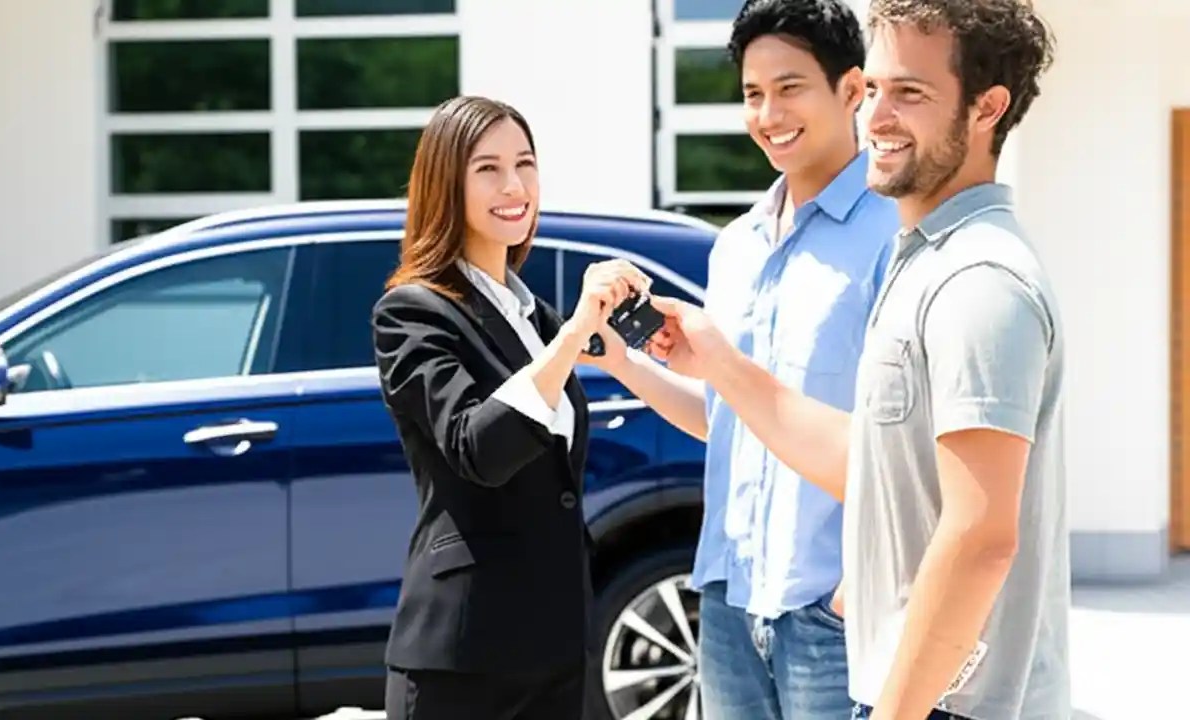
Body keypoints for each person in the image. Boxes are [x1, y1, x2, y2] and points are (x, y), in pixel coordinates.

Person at [647, 0, 1066, 718]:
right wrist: (695, 364)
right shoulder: (924, 262)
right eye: (874, 89)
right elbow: (868, 456)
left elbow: (980, 537)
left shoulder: (978, 280)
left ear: (987, 107)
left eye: (910, 92)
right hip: (837, 645)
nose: (875, 117)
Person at [581, 1, 897, 717]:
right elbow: (725, 422)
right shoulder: (738, 247)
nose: (768, 113)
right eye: (753, 94)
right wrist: (628, 365)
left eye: (790, 88)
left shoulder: (893, 238)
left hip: (831, 610)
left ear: (851, 91)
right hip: (728, 603)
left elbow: (900, 452)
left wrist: (854, 593)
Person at [371, 95, 650, 720]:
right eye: (488, 168)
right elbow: (478, 447)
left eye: (525, 164)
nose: (515, 185)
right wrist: (572, 337)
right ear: (447, 184)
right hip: (463, 662)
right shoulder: (414, 313)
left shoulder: (532, 317)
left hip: (552, 652)